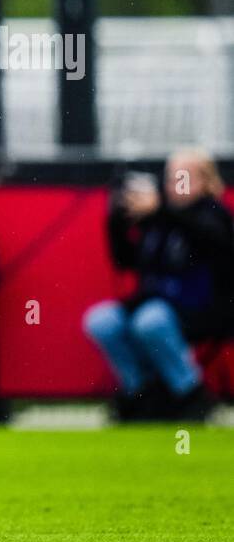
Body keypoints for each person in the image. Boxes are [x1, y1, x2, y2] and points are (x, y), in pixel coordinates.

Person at [83, 149, 233, 421]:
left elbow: (213, 243)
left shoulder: (214, 213)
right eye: (171, 177)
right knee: (102, 321)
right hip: (152, 304)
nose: (174, 185)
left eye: (183, 177)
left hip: (202, 309)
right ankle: (141, 391)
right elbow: (125, 261)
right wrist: (116, 219)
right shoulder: (158, 218)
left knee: (150, 320)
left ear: (205, 180)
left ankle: (189, 391)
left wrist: (161, 211)